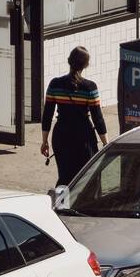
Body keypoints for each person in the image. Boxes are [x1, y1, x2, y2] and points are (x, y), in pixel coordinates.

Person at [40, 46, 107, 188]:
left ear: (68, 61)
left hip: (61, 135)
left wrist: (44, 141)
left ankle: (61, 205)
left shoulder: (55, 84)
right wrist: (105, 143)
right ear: (86, 65)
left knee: (65, 176)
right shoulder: (90, 87)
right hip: (84, 137)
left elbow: (47, 115)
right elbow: (98, 118)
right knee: (88, 177)